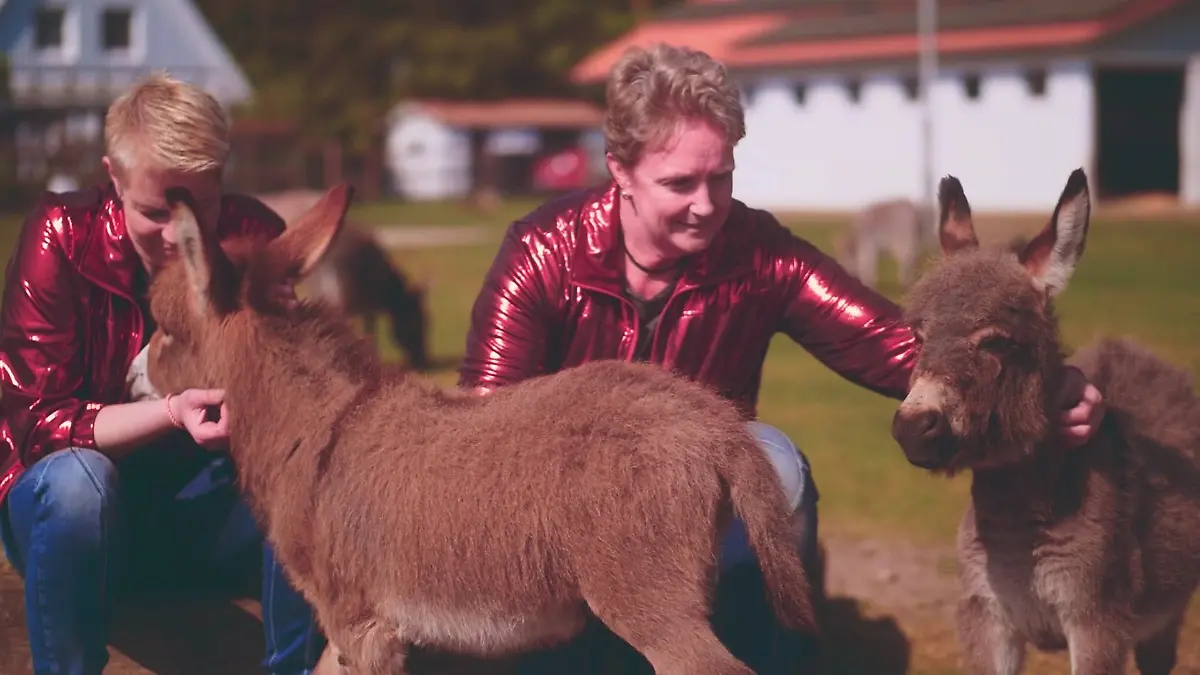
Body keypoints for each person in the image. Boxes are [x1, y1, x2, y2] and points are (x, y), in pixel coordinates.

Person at [457, 43, 1106, 673]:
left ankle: (768, 652)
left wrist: (1045, 380)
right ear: (620, 170)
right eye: (680, 182)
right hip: (565, 494)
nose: (707, 204)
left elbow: (897, 346)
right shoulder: (541, 253)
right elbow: (487, 423)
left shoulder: (762, 254)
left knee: (777, 462)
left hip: (701, 483)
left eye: (722, 177)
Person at [0, 73, 324, 675]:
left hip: (204, 504)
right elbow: (36, 423)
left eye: (198, 208)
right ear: (113, 177)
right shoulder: (62, 237)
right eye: (153, 212)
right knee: (79, 483)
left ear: (222, 179)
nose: (179, 235)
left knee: (303, 474)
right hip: (79, 516)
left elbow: (301, 402)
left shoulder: (251, 237)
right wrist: (170, 413)